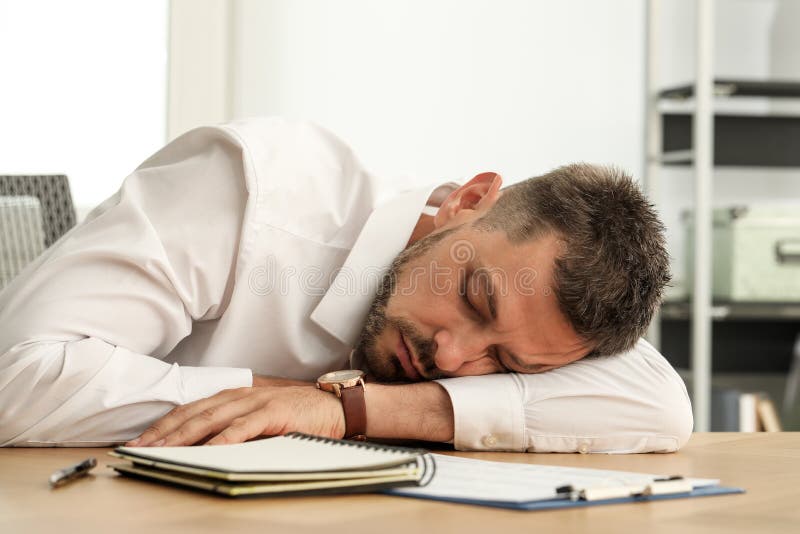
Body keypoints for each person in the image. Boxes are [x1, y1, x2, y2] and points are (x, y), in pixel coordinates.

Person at [0, 117, 692, 451]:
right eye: (474, 297)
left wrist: (346, 412)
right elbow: (16, 377)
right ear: (468, 201)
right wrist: (279, 397)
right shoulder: (254, 190)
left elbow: (659, 407)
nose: (454, 358)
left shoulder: (532, 315)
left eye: (505, 362)